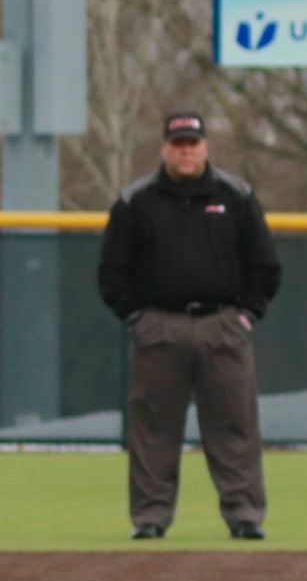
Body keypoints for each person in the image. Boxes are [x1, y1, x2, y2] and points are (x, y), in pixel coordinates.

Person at [97, 111, 281, 541]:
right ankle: (150, 517)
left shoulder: (235, 195)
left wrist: (245, 316)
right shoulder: (135, 201)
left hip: (222, 325)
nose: (186, 151)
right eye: (178, 143)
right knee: (153, 428)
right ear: (164, 148)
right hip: (160, 328)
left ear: (205, 147)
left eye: (192, 143)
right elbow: (111, 271)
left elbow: (265, 264)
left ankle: (244, 515)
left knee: (234, 426)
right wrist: (136, 319)